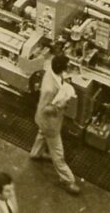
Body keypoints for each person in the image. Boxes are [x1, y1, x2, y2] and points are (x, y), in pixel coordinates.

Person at [30, 55, 81, 195]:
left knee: (41, 134)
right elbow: (46, 109)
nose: (69, 68)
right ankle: (68, 180)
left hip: (42, 121)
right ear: (61, 68)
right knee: (58, 155)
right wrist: (60, 105)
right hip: (50, 124)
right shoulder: (50, 89)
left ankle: (35, 154)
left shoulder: (50, 72)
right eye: (67, 66)